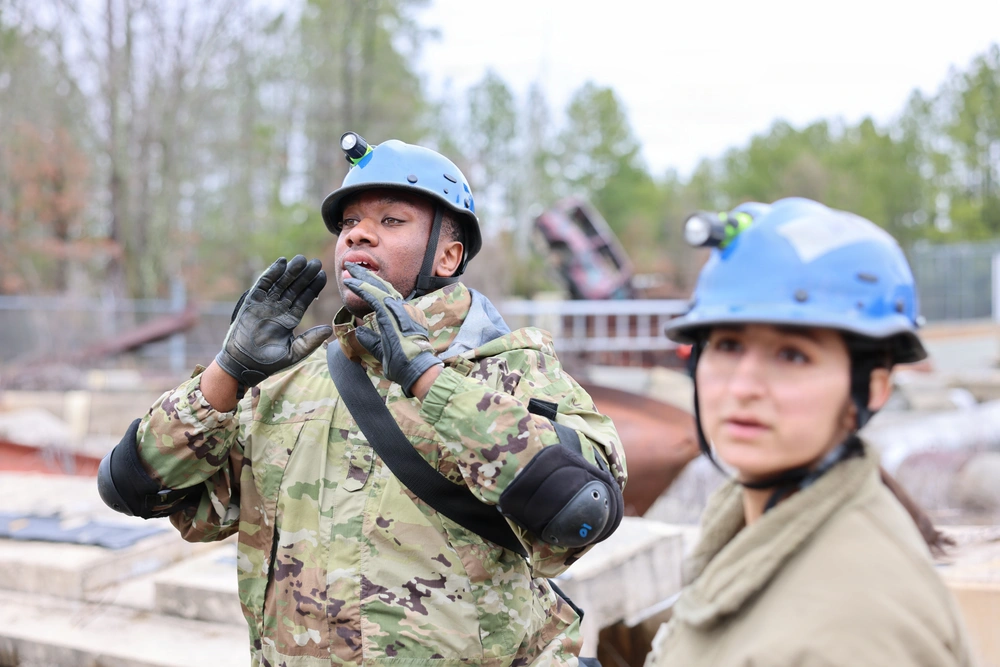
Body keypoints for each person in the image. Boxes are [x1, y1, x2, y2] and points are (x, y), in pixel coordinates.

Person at [97, 133, 627, 666]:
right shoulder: (292, 382)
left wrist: (427, 379)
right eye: (349, 224)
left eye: (391, 221)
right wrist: (227, 373)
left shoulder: (510, 367)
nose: (358, 237)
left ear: (448, 254)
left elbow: (581, 511)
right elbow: (136, 489)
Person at [645, 198, 976, 666]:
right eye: (728, 345)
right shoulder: (761, 517)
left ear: (873, 388)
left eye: (792, 355)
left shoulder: (853, 629)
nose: (743, 386)